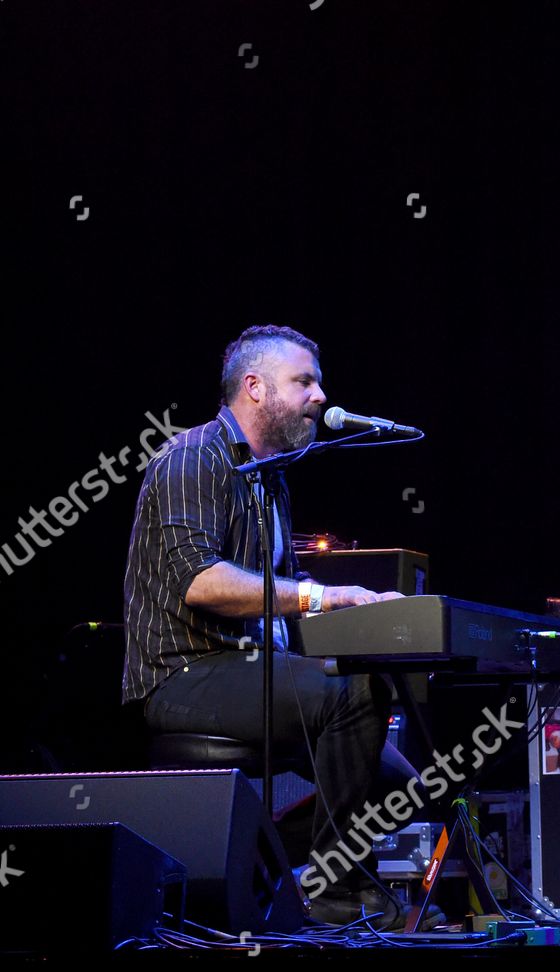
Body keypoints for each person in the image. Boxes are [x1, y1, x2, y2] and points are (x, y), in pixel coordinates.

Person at [121, 325, 421, 928]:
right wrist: (319, 596)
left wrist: (372, 618)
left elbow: (284, 599)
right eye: (304, 381)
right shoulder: (192, 458)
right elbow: (199, 581)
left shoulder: (272, 476)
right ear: (255, 388)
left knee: (405, 783)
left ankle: (262, 861)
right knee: (350, 694)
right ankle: (335, 893)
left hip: (251, 672)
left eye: (318, 382)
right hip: (184, 675)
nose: (320, 396)